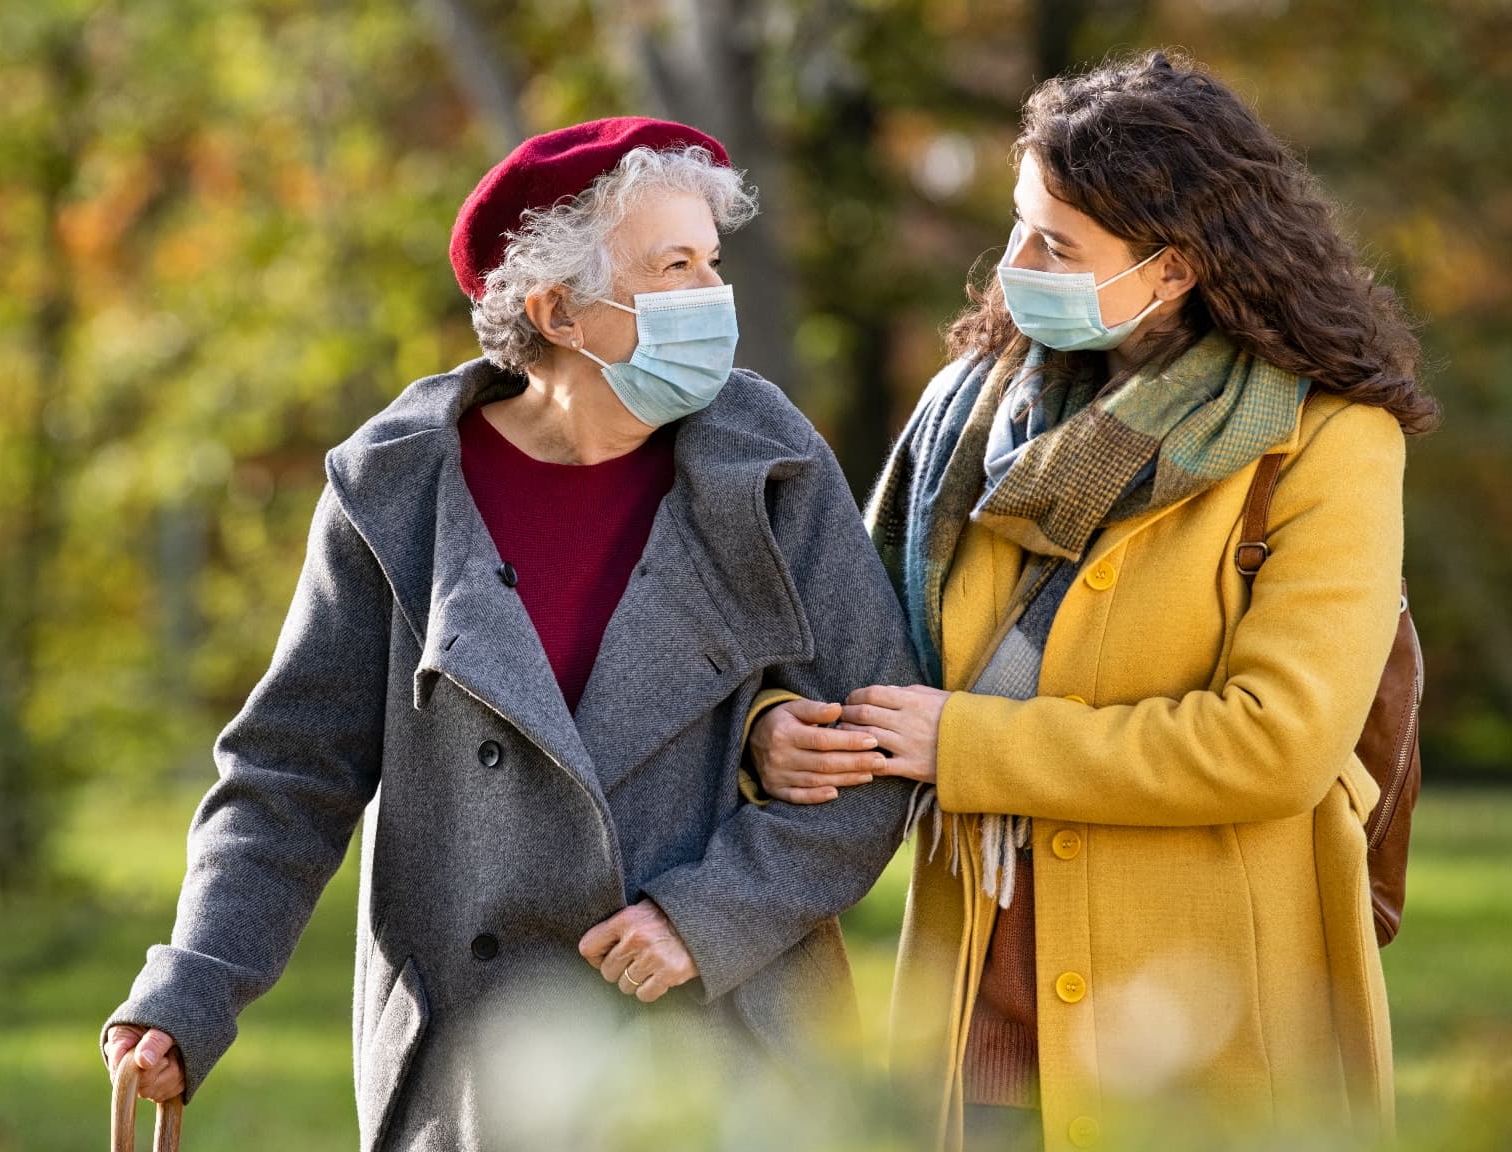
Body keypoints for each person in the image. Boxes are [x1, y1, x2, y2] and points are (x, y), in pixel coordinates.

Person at [100, 117, 919, 1151]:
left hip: (735, 1051)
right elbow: (290, 776)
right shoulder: (393, 490)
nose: (713, 296)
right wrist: (191, 986)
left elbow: (880, 740)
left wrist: (709, 915)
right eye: (674, 268)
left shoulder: (769, 461)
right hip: (479, 1066)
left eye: (710, 262)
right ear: (557, 311)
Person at [747, 51, 1438, 1151]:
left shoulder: (1327, 444)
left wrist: (969, 747)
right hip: (977, 1015)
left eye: (1056, 246)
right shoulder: (970, 423)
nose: (1013, 266)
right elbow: (845, 649)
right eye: (1019, 227)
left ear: (1172, 270)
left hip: (1203, 1028)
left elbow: (1278, 743)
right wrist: (777, 728)